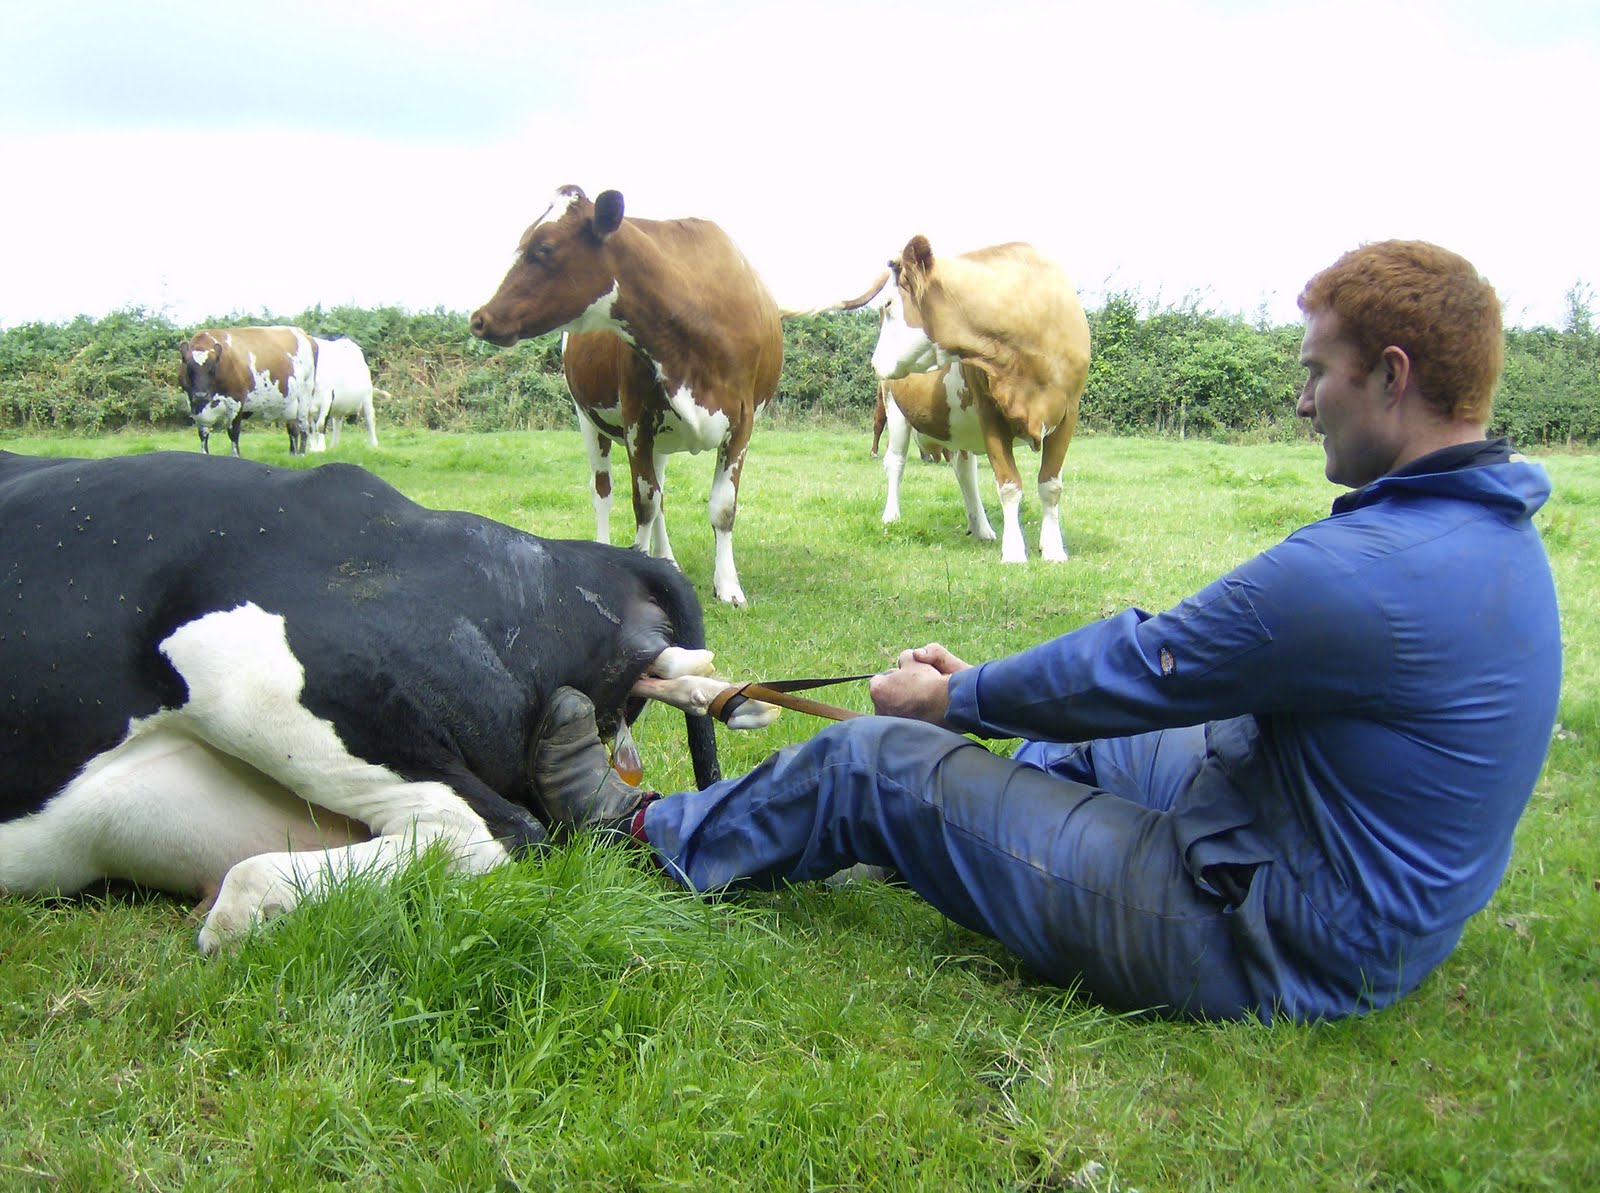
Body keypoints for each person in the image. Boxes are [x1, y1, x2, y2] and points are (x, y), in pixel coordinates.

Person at [532, 240, 1563, 1023]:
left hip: (1271, 931)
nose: (1300, 401)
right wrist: (984, 690)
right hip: (1334, 872)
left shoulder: (1368, 572)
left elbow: (1152, 660)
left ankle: (639, 833)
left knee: (872, 764)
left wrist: (951, 698)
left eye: (1317, 372)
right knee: (1072, 742)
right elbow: (1158, 678)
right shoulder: (1489, 533)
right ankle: (922, 835)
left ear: (1389, 375)